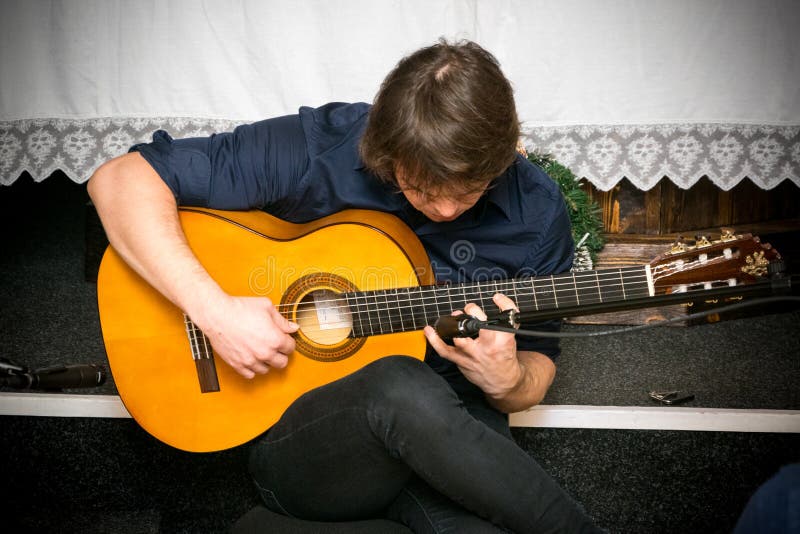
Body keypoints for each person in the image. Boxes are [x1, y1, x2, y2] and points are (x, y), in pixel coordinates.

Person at [88, 39, 601, 533]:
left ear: (504, 158)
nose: (445, 209)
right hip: (309, 450)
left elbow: (538, 365)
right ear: (385, 150)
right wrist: (214, 311)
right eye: (421, 187)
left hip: (453, 438)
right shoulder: (324, 147)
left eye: (469, 189)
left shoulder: (536, 211)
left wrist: (509, 380)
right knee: (401, 382)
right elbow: (118, 181)